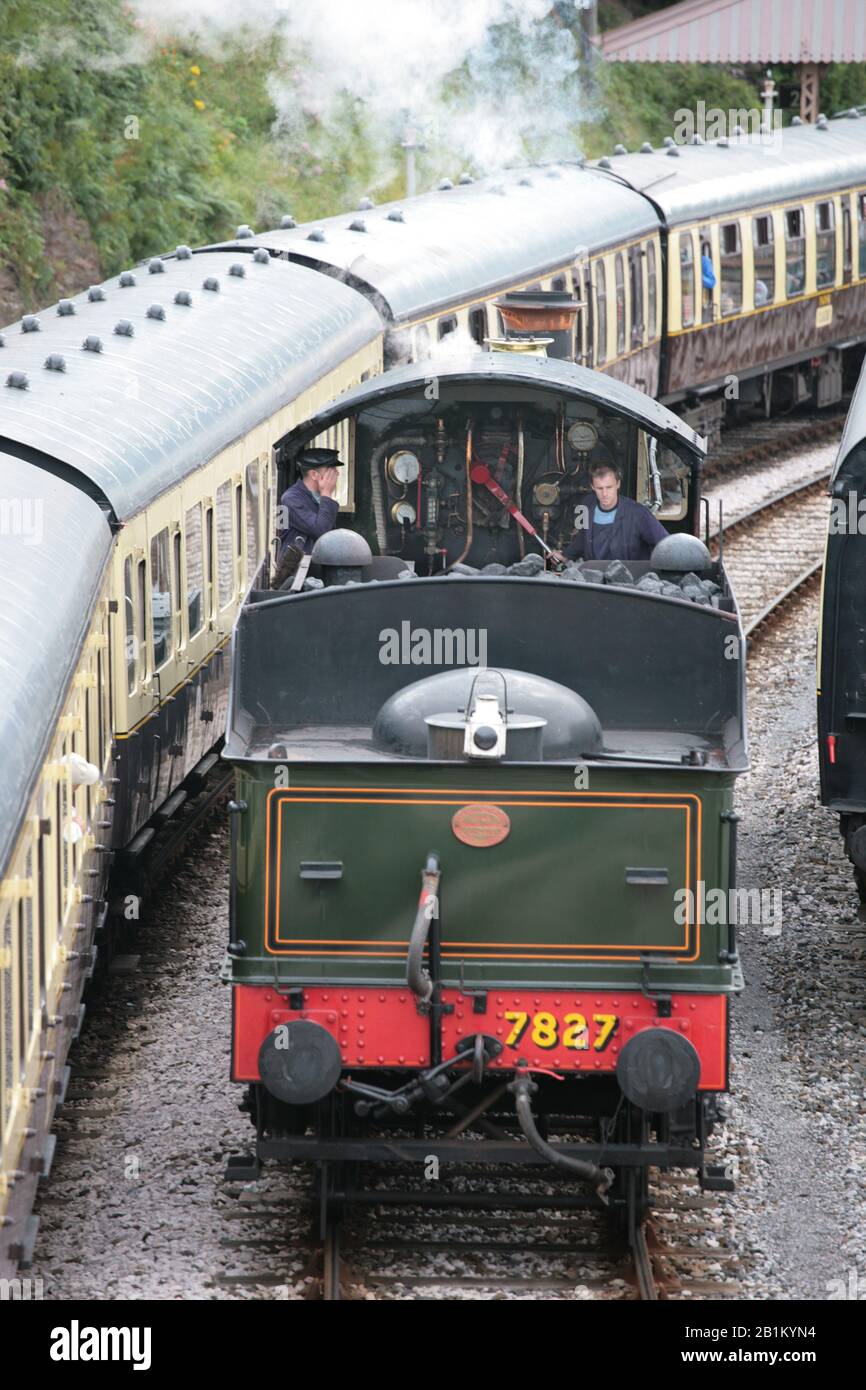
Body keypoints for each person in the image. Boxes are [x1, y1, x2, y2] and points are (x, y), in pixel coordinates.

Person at [560, 462, 668, 563]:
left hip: (628, 580)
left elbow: (666, 544)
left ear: (618, 484)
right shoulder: (586, 508)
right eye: (599, 488)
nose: (605, 494)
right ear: (592, 487)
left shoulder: (639, 514)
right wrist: (565, 556)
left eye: (609, 487)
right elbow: (581, 540)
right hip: (593, 579)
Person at [278, 447, 342, 556]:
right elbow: (321, 531)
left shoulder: (319, 497)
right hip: (298, 568)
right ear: (314, 475)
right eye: (331, 470)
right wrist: (326, 492)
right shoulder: (291, 499)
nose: (337, 473)